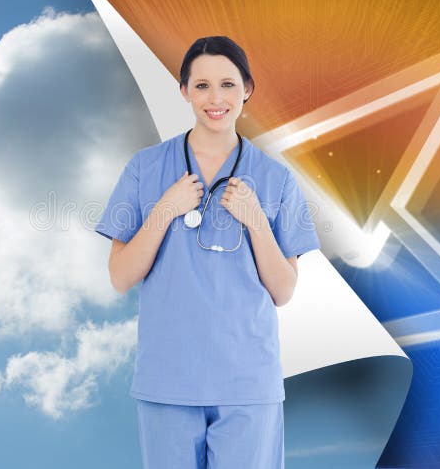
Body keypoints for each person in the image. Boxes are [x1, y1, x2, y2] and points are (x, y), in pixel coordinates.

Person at [94, 36, 321, 469]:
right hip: (168, 380)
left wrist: (255, 220)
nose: (216, 99)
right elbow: (120, 276)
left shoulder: (275, 179)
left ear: (247, 89)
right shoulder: (145, 168)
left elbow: (284, 290)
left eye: (228, 85)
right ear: (183, 91)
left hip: (247, 383)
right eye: (201, 86)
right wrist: (165, 208)